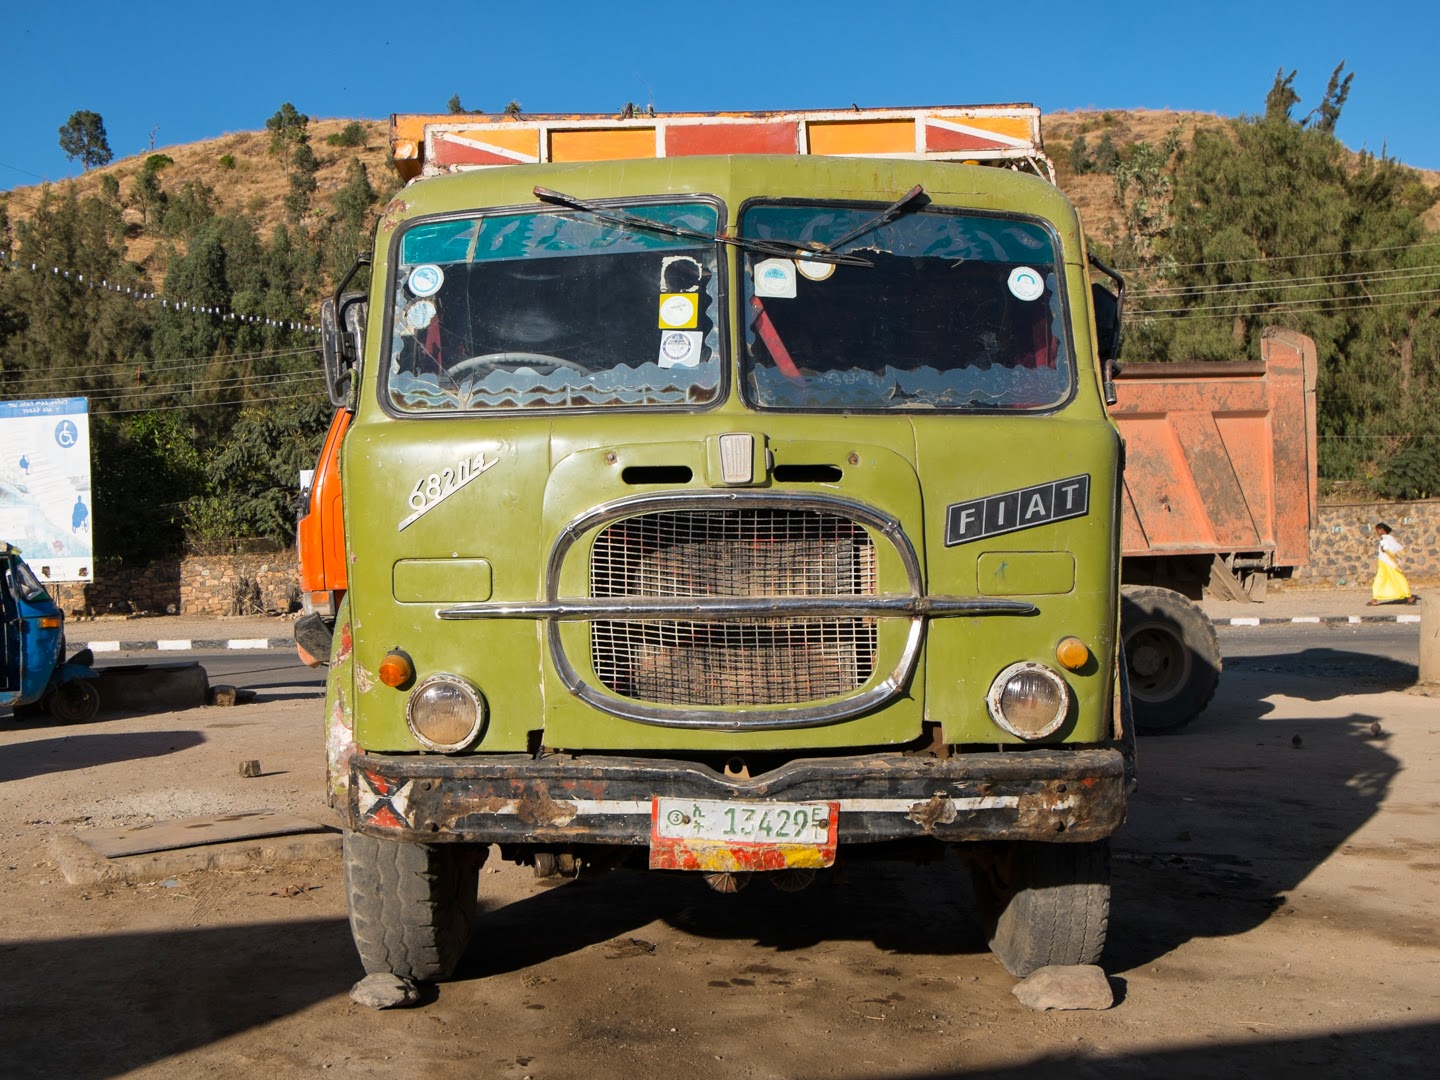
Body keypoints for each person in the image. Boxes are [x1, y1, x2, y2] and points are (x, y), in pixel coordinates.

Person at [1368, 522, 1415, 605]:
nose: (1377, 532)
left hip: (1389, 563)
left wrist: (1385, 550)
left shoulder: (1386, 540)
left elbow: (1390, 550)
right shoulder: (1386, 539)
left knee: (1397, 578)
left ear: (1382, 529)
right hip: (1383, 563)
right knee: (1380, 580)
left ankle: (1409, 597)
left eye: (1377, 530)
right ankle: (1374, 599)